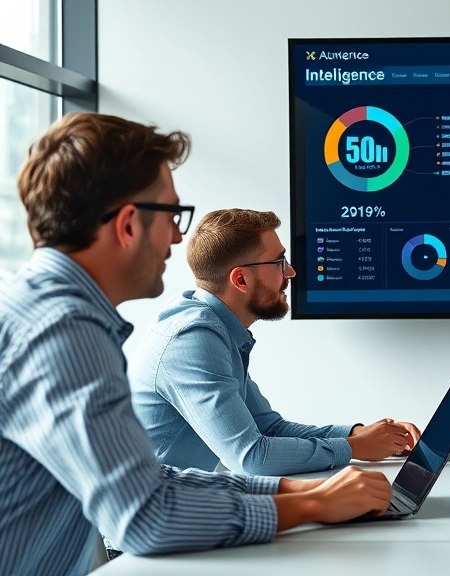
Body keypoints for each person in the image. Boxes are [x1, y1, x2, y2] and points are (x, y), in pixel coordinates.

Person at [0, 113, 393, 576]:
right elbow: (145, 518)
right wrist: (311, 508)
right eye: (172, 215)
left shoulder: (46, 314)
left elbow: (146, 478)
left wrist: (296, 492)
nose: (179, 237)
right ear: (128, 225)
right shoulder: (65, 333)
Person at [129, 209, 420, 476]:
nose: (291, 272)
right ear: (240, 279)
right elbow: (252, 458)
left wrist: (358, 434)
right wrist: (354, 448)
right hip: (152, 523)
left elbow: (269, 428)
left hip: (181, 507)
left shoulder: (216, 329)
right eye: (279, 262)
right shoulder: (193, 339)